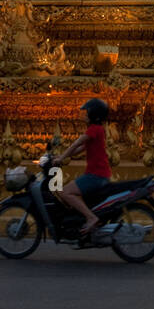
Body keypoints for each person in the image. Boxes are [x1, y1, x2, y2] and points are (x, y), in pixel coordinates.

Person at [52, 97, 112, 239]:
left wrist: (61, 158)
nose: (84, 115)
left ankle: (91, 218)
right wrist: (64, 156)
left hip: (95, 175)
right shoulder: (98, 130)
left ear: (94, 115)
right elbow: (81, 148)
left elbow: (75, 144)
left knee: (64, 192)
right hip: (100, 174)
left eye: (87, 112)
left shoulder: (93, 130)